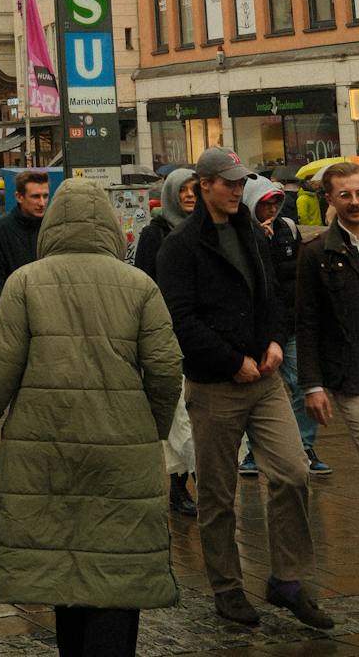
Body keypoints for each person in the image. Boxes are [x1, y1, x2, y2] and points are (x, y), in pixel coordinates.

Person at [0, 179, 182, 657]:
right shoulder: (139, 285)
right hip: (122, 445)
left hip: (44, 445)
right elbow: (165, 367)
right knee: (117, 563)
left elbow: (0, 369)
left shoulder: (25, 282)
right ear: (109, 226)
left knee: (63, 562)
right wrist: (149, 427)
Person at [156, 148, 332, 631]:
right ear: (204, 184)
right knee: (217, 493)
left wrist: (276, 340)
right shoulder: (181, 245)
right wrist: (231, 360)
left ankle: (288, 580)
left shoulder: (251, 231)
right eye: (228, 183)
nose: (237, 190)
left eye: (240, 183)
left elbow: (273, 293)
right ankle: (227, 586)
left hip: (266, 378)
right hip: (216, 384)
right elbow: (180, 319)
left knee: (293, 472)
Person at [297, 160, 359, 610]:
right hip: (353, 378)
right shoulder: (317, 253)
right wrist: (312, 384)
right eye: (345, 196)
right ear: (330, 201)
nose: (355, 203)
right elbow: (308, 324)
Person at [240, 176, 326, 476]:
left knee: (306, 385)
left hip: (289, 325)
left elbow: (298, 274)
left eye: (276, 202)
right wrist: (258, 243)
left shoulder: (288, 229)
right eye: (266, 204)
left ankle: (304, 445)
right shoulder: (243, 235)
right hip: (259, 330)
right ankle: (253, 452)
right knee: (256, 393)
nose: (272, 209)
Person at [132, 166, 198, 517]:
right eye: (183, 190)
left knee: (196, 412)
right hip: (166, 334)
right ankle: (177, 484)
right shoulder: (154, 234)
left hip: (199, 334)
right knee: (176, 413)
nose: (189, 195)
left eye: (194, 189)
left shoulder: (206, 230)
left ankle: (194, 472)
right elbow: (144, 283)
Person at [0, 169, 49, 318]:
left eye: (45, 196)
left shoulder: (52, 227)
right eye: (36, 196)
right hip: (14, 316)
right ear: (19, 197)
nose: (42, 203)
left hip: (48, 317)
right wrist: (2, 320)